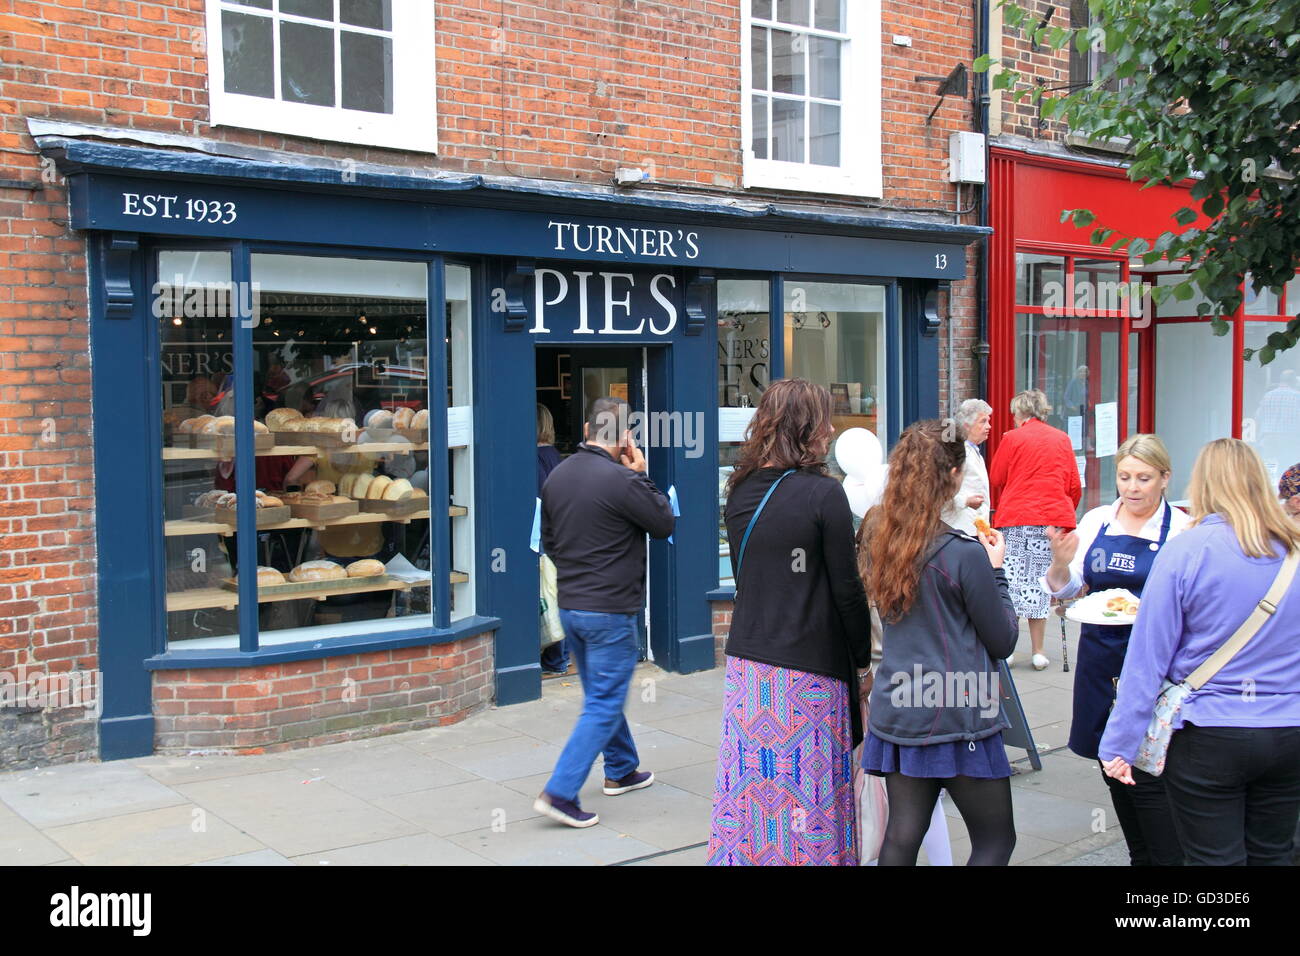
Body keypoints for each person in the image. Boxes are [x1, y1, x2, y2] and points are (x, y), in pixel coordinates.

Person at [1099, 439, 1300, 865]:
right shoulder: (1294, 548)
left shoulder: (1186, 550)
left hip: (1209, 731)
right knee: (1276, 854)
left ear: (1203, 483)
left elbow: (1147, 658)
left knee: (1213, 860)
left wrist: (1119, 743)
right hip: (1289, 730)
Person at [708, 379, 872, 865]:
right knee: (810, 797)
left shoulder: (739, 491)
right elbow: (848, 592)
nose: (831, 428)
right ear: (808, 428)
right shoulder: (825, 495)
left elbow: (748, 577)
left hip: (750, 671)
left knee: (755, 795)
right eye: (823, 418)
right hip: (809, 675)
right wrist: (862, 667)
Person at [859, 420, 1019, 866]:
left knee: (902, 837)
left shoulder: (881, 539)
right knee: (994, 841)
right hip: (959, 712)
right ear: (951, 478)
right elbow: (1003, 639)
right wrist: (998, 571)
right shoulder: (964, 553)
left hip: (900, 705)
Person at [1043, 433, 1190, 866]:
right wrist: (1060, 562)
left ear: (1165, 478)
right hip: (1099, 656)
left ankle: (1162, 856)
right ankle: (1139, 853)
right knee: (1110, 760)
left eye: (1144, 478)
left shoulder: (1181, 529)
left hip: (1158, 664)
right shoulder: (1097, 521)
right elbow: (1071, 592)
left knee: (1150, 766)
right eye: (1125, 477)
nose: (1133, 487)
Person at [534, 396, 675, 828]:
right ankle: (560, 792)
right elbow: (664, 523)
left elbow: (550, 544)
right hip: (611, 610)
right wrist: (644, 476)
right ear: (626, 437)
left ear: (587, 427)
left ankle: (621, 769)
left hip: (572, 607)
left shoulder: (557, 476)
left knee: (600, 692)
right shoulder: (623, 480)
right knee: (603, 702)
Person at [988, 389, 1081, 670]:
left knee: (1012, 584)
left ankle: (1010, 650)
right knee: (1041, 585)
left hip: (1016, 518)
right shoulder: (1062, 439)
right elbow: (1074, 485)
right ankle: (1039, 651)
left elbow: (997, 476)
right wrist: (1062, 515)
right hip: (1048, 521)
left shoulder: (1012, 438)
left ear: (1020, 412)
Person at [536, 403, 568, 677]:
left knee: (547, 595)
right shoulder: (554, 456)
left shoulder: (534, 459)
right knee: (555, 594)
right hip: (559, 533)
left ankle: (557, 659)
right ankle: (560, 657)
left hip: (543, 536)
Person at [941, 398, 992, 536]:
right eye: (983, 421)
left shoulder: (973, 451)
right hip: (959, 530)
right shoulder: (957, 453)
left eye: (988, 421)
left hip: (974, 529)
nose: (989, 426)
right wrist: (966, 501)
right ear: (967, 425)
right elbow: (941, 491)